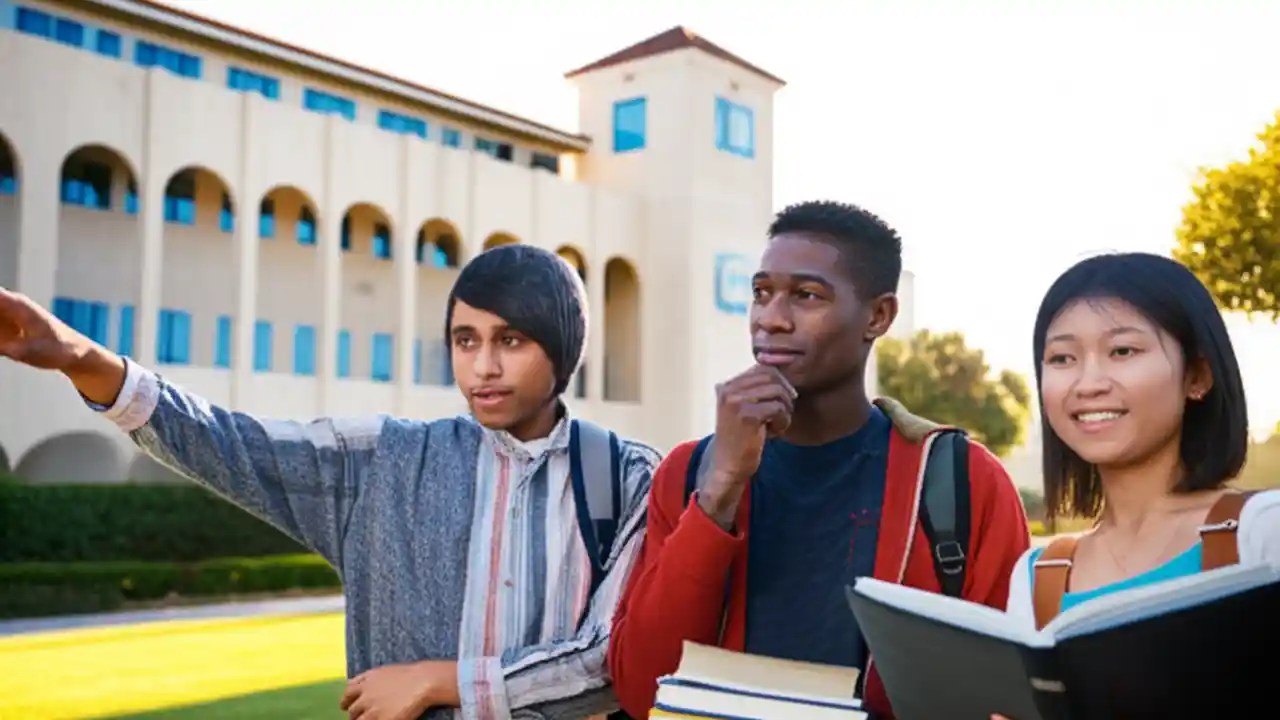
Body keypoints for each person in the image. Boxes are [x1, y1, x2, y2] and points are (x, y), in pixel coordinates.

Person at [0, 244, 660, 720]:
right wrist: (83, 360)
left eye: (510, 340)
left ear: (563, 346)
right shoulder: (386, 461)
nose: (483, 365)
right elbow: (229, 444)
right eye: (465, 340)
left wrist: (438, 681)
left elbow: (607, 662)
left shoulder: (626, 475)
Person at [606, 200, 1031, 719]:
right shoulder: (688, 473)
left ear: (878, 316)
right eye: (761, 293)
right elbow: (641, 688)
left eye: (806, 296)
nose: (771, 319)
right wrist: (719, 492)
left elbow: (1004, 696)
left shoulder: (959, 481)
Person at [1004, 252, 1280, 629]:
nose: (1088, 384)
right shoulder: (1035, 577)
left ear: (1197, 375)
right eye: (1062, 358)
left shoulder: (1262, 530)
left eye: (1122, 351)